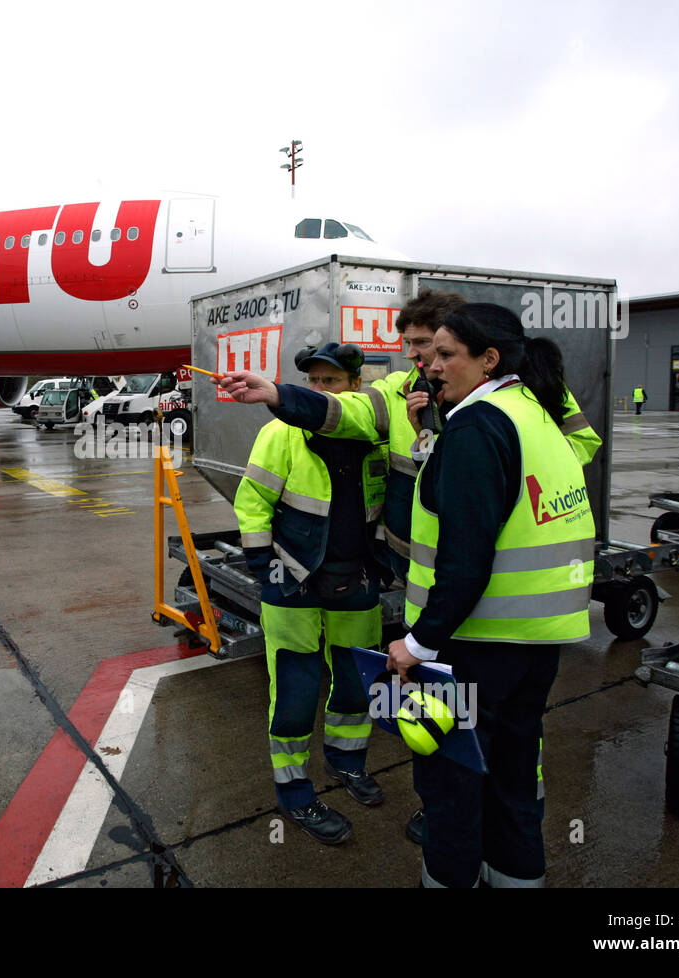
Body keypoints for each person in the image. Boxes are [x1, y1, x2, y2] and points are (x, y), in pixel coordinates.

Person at [239, 288, 601, 846]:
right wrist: (279, 396)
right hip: (423, 578)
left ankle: (464, 820)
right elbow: (348, 414)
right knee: (402, 706)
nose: (417, 359)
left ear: (475, 352)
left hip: (478, 589)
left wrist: (497, 462)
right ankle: (445, 811)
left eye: (428, 347)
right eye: (409, 347)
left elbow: (570, 449)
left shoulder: (520, 401)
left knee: (473, 723)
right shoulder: (403, 394)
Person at [384, 303, 596, 888]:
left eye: (447, 354)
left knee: (451, 790)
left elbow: (466, 558)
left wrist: (419, 643)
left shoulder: (479, 424)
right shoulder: (535, 411)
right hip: (537, 642)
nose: (433, 366)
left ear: (489, 359)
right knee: (513, 782)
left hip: (474, 644)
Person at [229, 342, 390, 845]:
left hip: (355, 581)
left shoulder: (373, 435)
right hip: (292, 583)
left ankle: (347, 762)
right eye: (314, 382)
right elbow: (252, 503)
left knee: (354, 682)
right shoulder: (278, 433)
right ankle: (294, 789)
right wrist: (265, 567)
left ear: (354, 389)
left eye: (331, 382)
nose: (319, 390)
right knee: (295, 692)